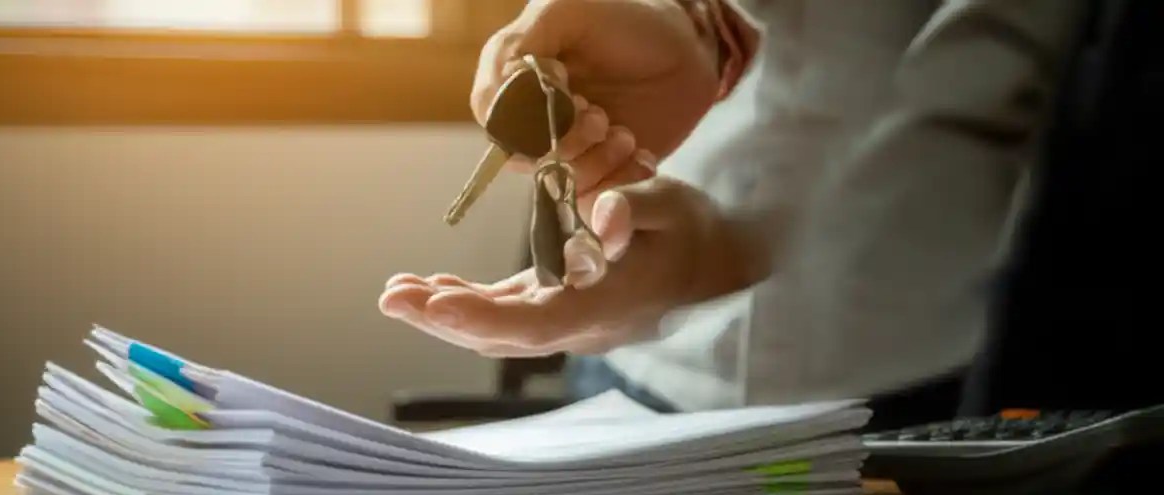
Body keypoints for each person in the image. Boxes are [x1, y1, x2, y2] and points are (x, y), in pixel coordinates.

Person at [379, 0, 1085, 429]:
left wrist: (729, 254)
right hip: (640, 371)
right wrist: (703, 31)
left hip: (919, 387)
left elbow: (1015, 68)